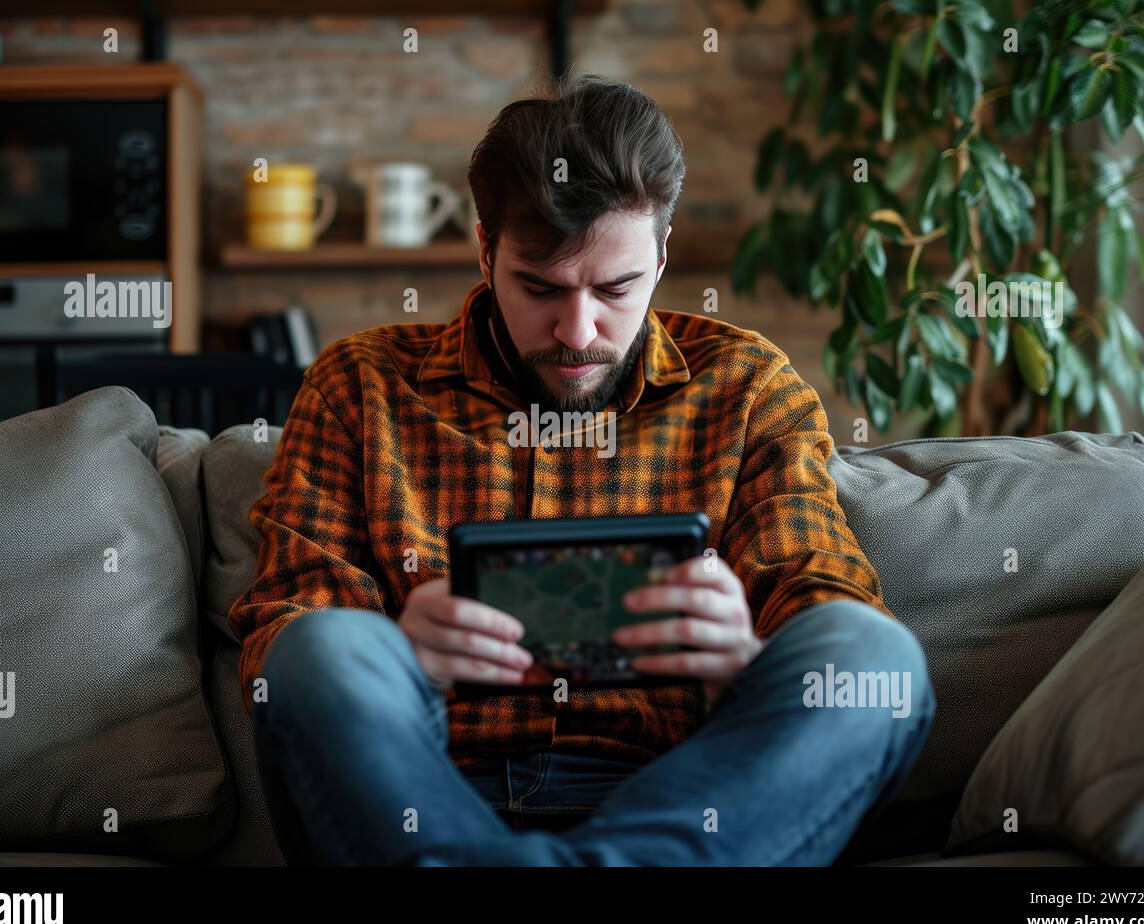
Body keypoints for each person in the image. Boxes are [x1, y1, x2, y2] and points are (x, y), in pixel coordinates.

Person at [229, 71, 935, 866]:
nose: (576, 330)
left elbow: (821, 592)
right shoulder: (359, 386)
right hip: (426, 788)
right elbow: (282, 632)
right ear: (485, 249)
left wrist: (745, 663)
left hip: (689, 796)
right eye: (540, 288)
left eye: (616, 288)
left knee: (872, 658)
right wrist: (400, 652)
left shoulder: (745, 388)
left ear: (663, 257)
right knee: (318, 651)